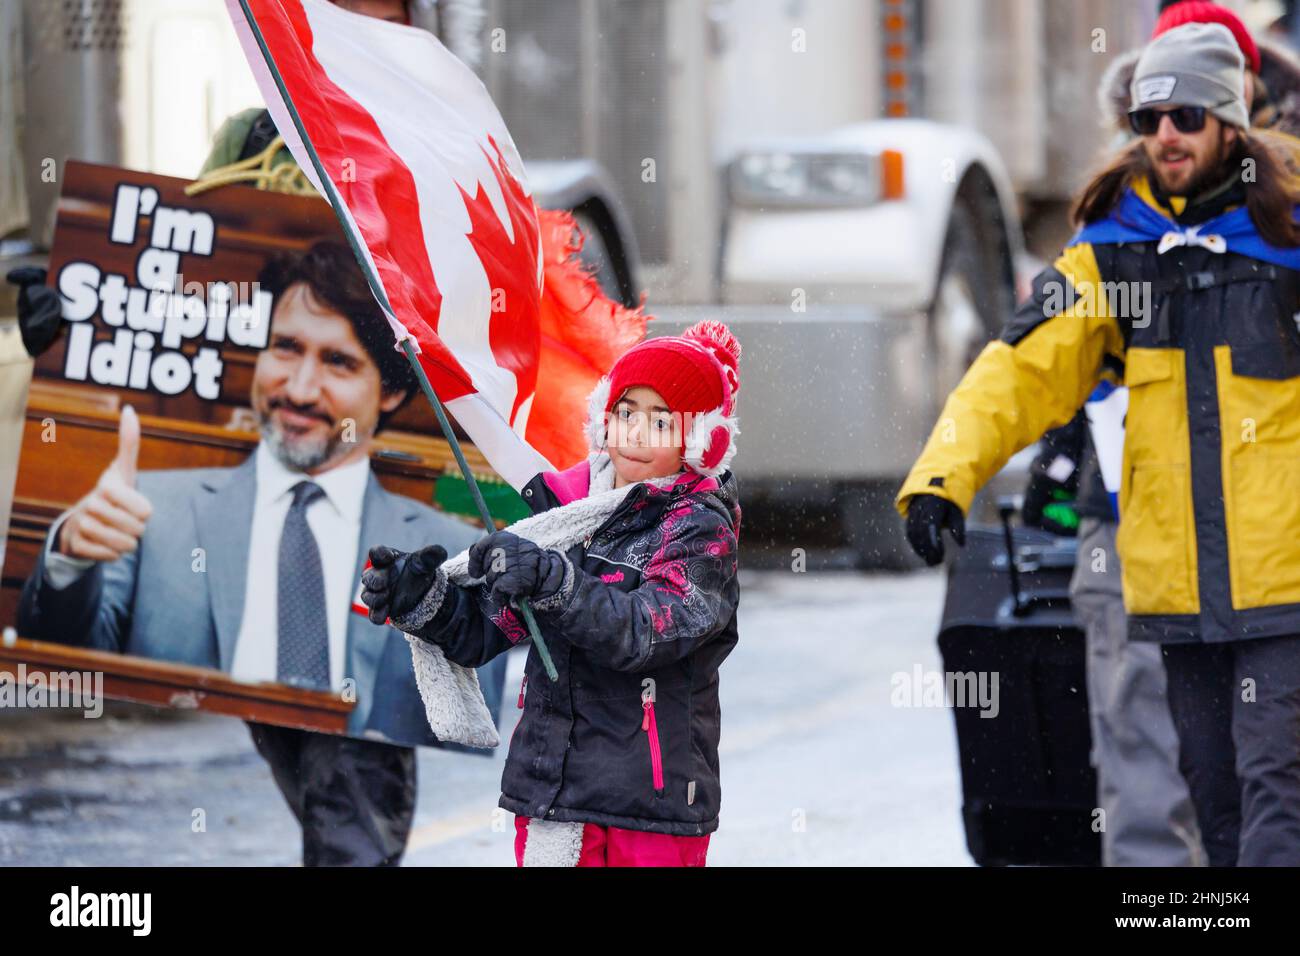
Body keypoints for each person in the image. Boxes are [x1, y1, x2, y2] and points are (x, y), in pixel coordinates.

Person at [898, 22, 1300, 866]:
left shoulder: (1288, 236)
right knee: (1214, 805)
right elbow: (1016, 370)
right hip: (1175, 596)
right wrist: (943, 477)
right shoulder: (1109, 252)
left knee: (1280, 790)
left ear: (1231, 121)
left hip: (1285, 586)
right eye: (1150, 116)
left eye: (1186, 115)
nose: (1164, 134)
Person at [17, 240, 499, 866]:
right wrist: (69, 560)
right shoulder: (147, 510)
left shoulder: (448, 551)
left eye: (338, 362)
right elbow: (65, 652)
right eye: (286, 347)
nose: (299, 388)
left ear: (390, 393)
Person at [360, 320, 742, 867]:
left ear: (701, 441)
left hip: (653, 806)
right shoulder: (566, 516)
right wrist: (423, 601)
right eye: (626, 412)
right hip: (553, 796)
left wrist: (554, 581)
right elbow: (486, 631)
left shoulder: (701, 529)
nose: (635, 432)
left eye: (661, 421)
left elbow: (645, 633)